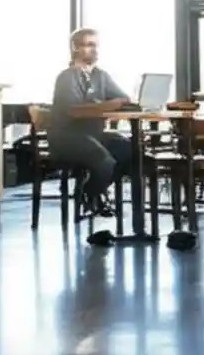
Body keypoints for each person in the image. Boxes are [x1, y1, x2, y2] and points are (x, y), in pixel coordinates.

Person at [49, 28, 145, 236]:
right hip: (67, 136)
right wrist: (106, 105)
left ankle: (134, 218)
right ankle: (90, 194)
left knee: (132, 153)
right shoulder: (67, 78)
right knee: (105, 161)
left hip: (94, 134)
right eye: (89, 45)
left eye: (96, 45)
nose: (95, 50)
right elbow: (74, 110)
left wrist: (114, 104)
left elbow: (122, 99)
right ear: (75, 48)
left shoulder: (100, 75)